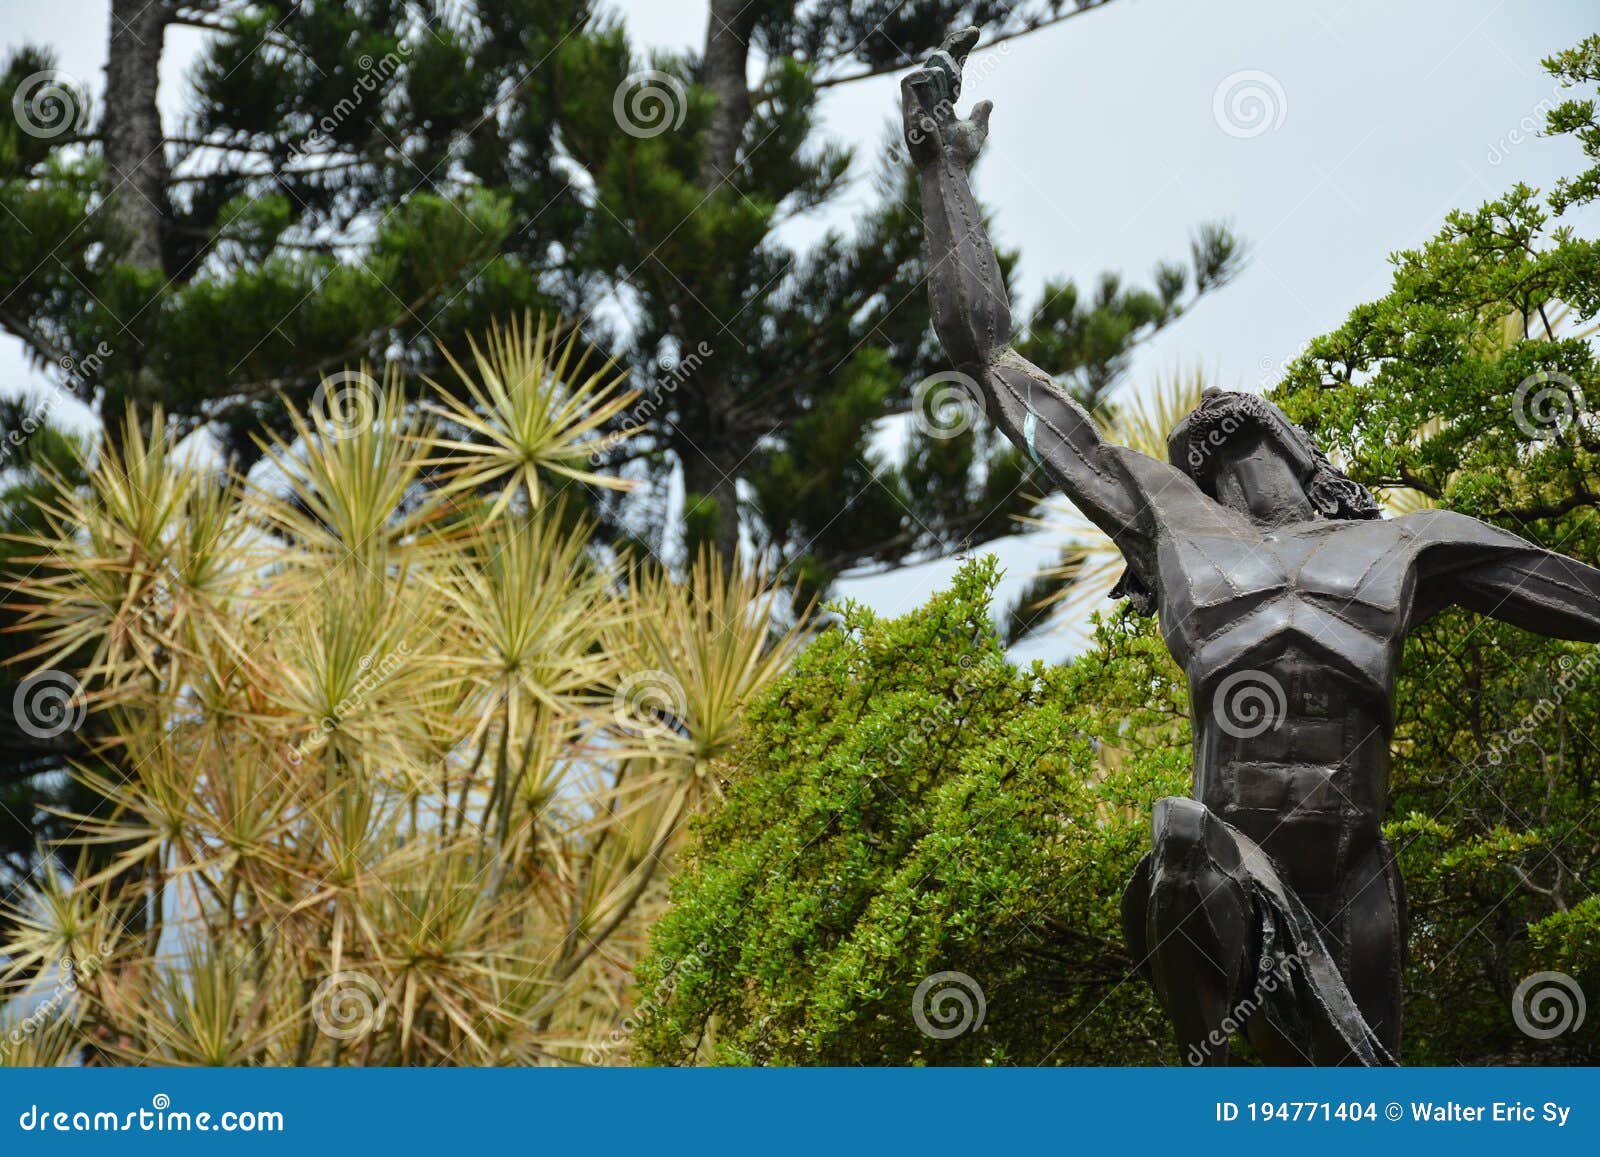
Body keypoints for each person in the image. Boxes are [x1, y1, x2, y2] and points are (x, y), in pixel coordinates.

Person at [902, 27, 1600, 1065]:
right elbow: (992, 358)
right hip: (1225, 854)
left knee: (1360, 1093)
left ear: (1311, 448)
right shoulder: (1170, 522)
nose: (1220, 424)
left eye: (1249, 419)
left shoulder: (1412, 548)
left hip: (1352, 875)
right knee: (1182, 854)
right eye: (1201, 435)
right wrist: (939, 168)